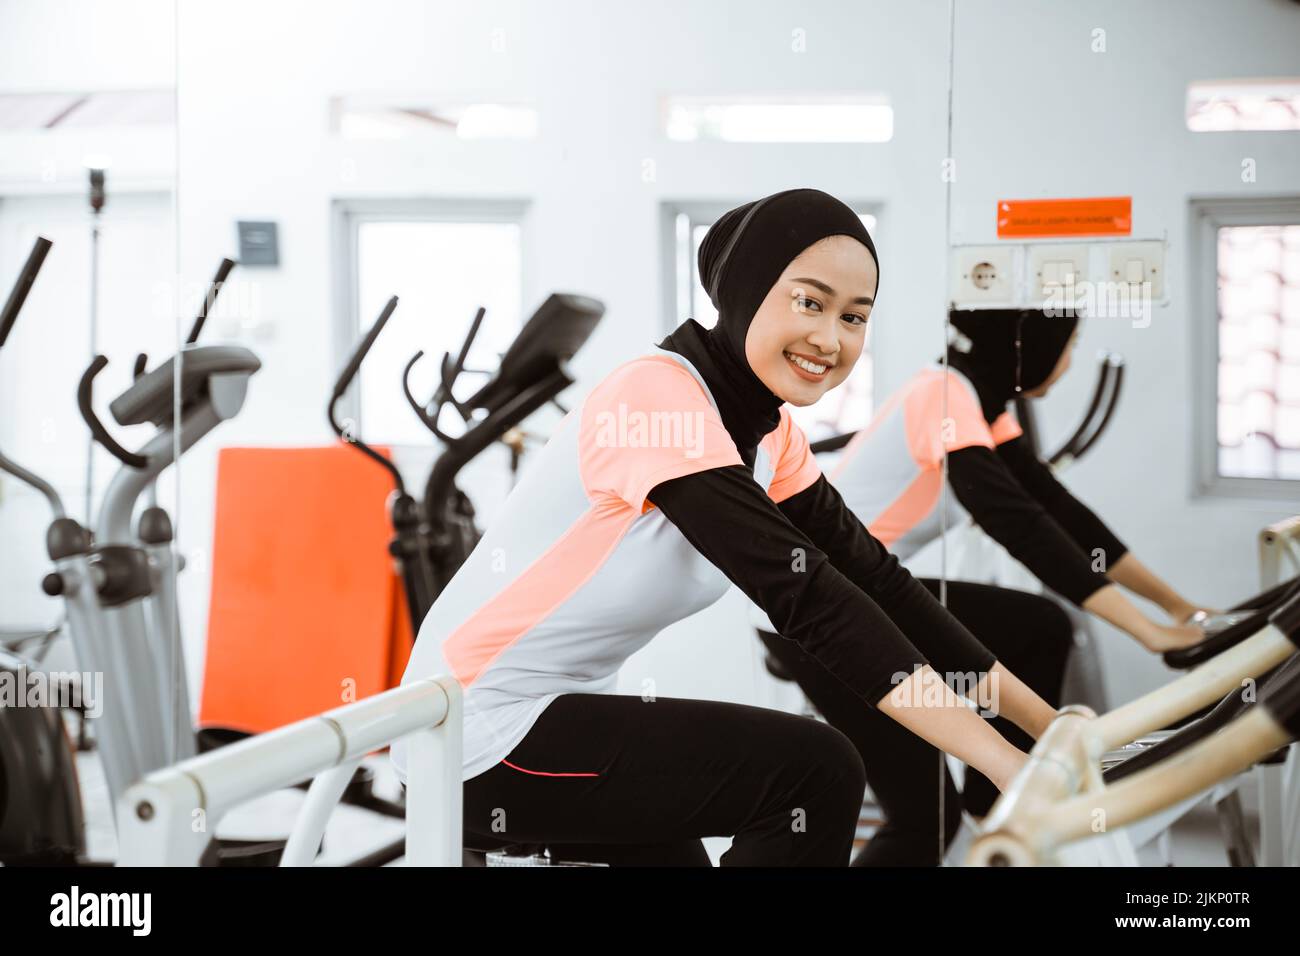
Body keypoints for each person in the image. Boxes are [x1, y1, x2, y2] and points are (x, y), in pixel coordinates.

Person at [394, 188, 1059, 866]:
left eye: (855, 317)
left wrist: (1044, 727)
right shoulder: (656, 399)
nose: (831, 339)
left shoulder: (770, 437)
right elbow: (809, 600)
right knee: (814, 773)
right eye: (809, 302)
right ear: (745, 293)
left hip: (557, 718)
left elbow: (879, 582)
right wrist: (1001, 761)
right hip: (478, 736)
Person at [757, 306, 1212, 865]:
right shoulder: (943, 397)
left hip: (851, 593)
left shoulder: (975, 399)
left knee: (1037, 630)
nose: (1069, 363)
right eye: (1067, 346)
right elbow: (1017, 524)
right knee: (925, 821)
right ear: (1034, 348)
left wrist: (1177, 609)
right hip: (814, 612)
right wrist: (1149, 632)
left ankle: (993, 804)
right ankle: (995, 808)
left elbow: (1059, 512)